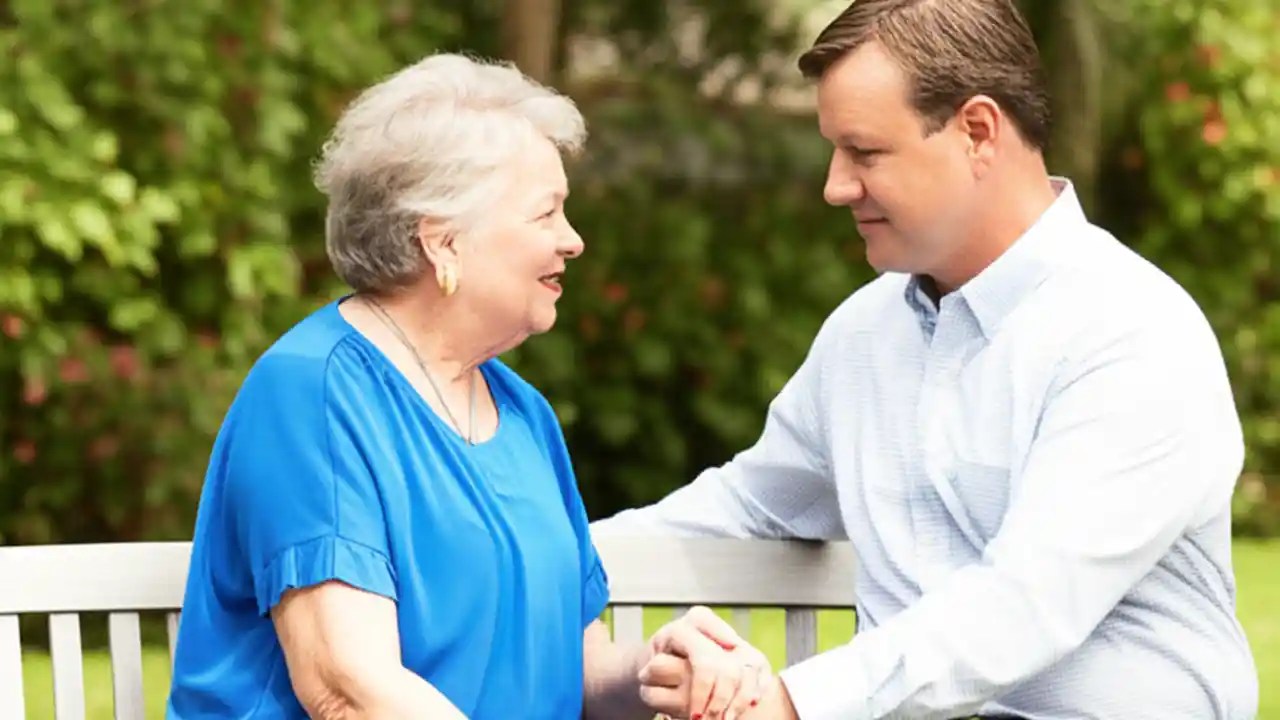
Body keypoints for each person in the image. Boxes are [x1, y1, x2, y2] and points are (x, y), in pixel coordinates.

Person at [593, 1, 1260, 718]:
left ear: (978, 132)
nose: (834, 185)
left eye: (865, 152)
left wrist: (788, 702)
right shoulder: (864, 333)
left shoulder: (1131, 332)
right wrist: (526, 556)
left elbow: (1027, 602)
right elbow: (749, 506)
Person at [166, 53, 771, 720]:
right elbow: (349, 688)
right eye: (547, 215)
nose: (573, 241)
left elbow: (576, 664)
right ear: (444, 241)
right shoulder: (313, 394)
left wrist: (659, 671)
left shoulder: (522, 414)